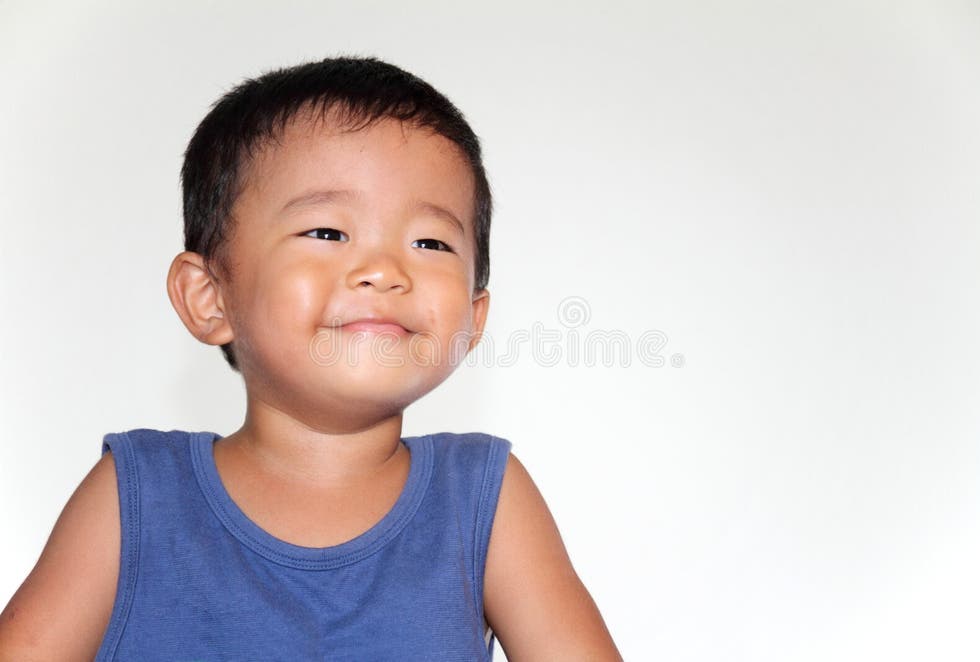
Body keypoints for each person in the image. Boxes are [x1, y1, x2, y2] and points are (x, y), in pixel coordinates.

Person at [0, 57, 622, 661]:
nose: (384, 270)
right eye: (327, 232)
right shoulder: (135, 497)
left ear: (473, 319)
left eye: (430, 241)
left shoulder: (483, 500)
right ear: (210, 297)